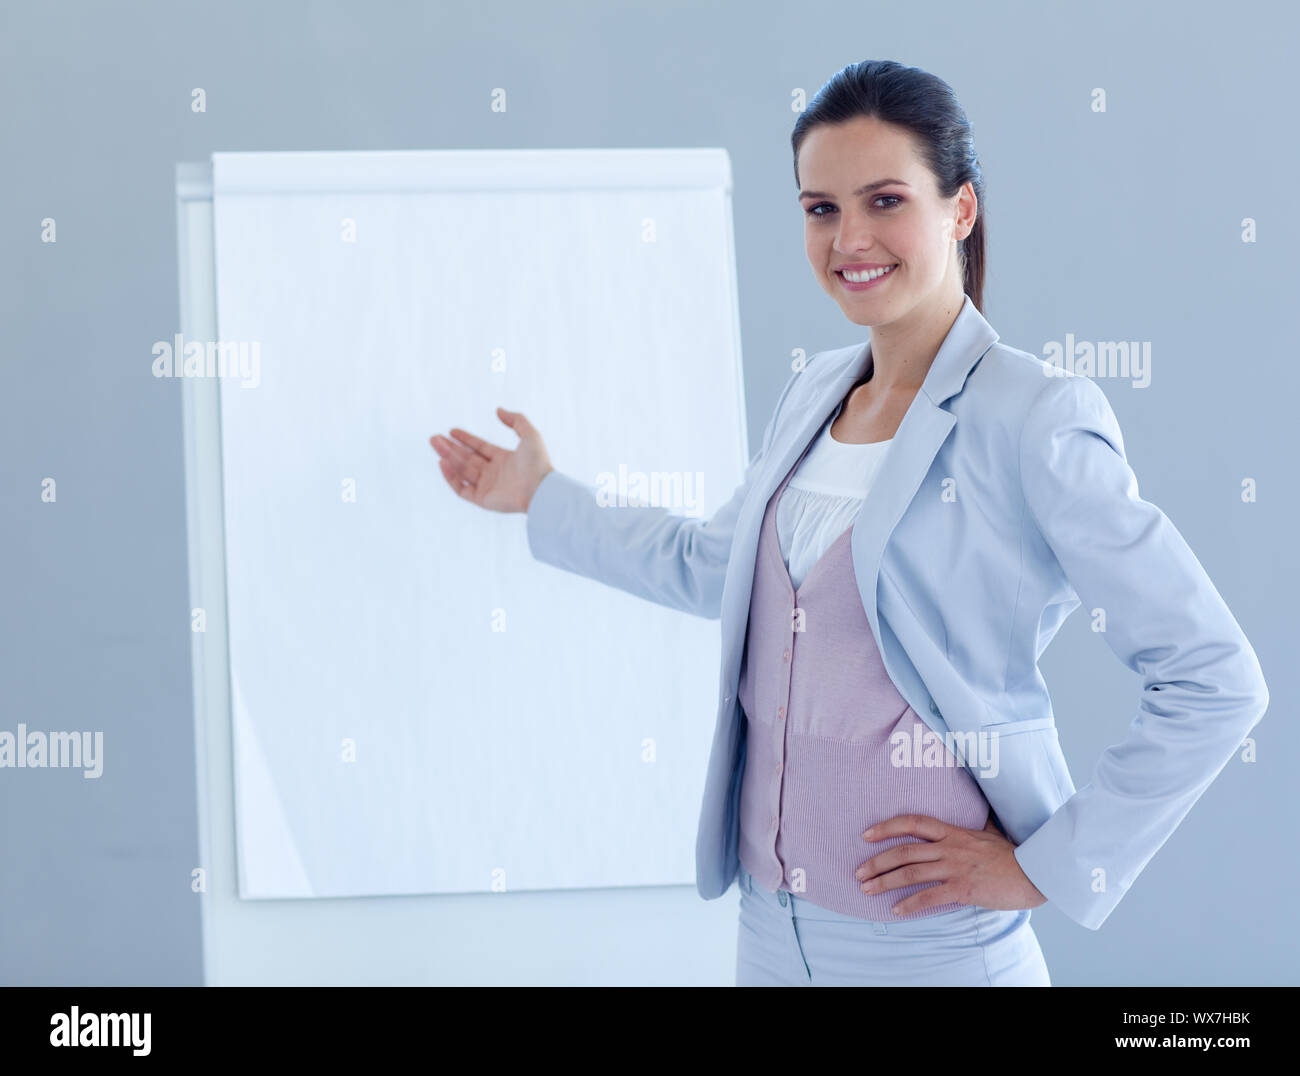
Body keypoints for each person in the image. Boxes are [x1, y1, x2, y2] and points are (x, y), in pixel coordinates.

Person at [429, 60, 1268, 987]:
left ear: (960, 210)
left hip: (933, 950)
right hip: (766, 935)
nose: (849, 238)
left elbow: (1213, 677)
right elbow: (714, 568)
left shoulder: (1035, 415)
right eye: (820, 208)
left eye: (884, 200)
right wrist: (542, 492)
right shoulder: (811, 395)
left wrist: (1046, 867)